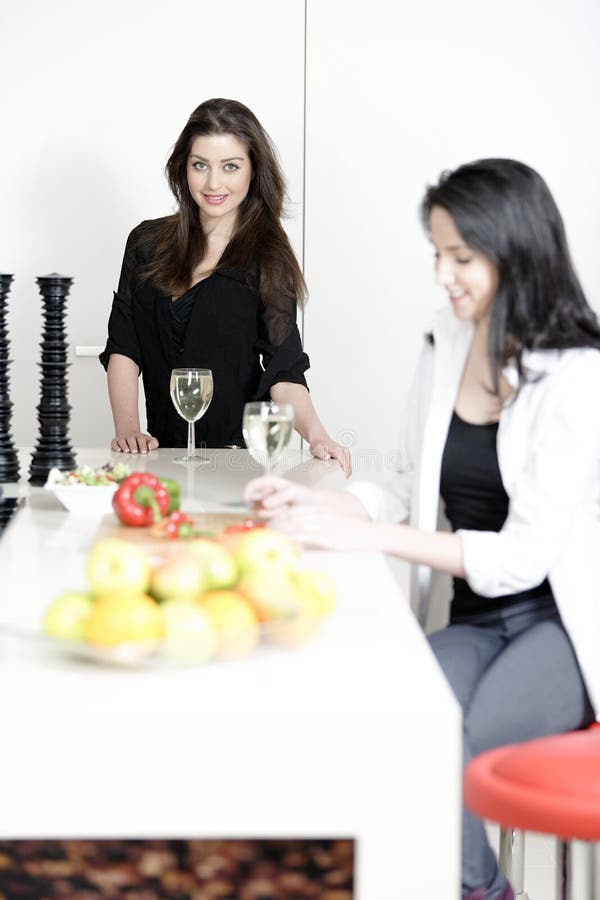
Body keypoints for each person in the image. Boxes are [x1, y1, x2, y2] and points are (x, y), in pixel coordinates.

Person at [243, 158, 600, 899]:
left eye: (460, 258)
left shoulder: (576, 374)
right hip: (477, 618)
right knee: (387, 725)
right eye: (437, 253)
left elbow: (525, 558)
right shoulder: (446, 341)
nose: (443, 274)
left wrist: (371, 539)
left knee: (448, 748)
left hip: (563, 625)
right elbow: (406, 484)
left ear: (517, 253)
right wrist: (323, 504)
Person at [99, 98, 350, 475]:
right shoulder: (145, 243)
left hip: (236, 463)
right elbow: (125, 345)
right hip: (159, 458)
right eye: (201, 165)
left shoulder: (269, 260)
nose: (214, 183)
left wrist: (317, 435)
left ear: (253, 171)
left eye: (230, 167)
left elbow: (284, 370)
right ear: (184, 169)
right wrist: (129, 430)